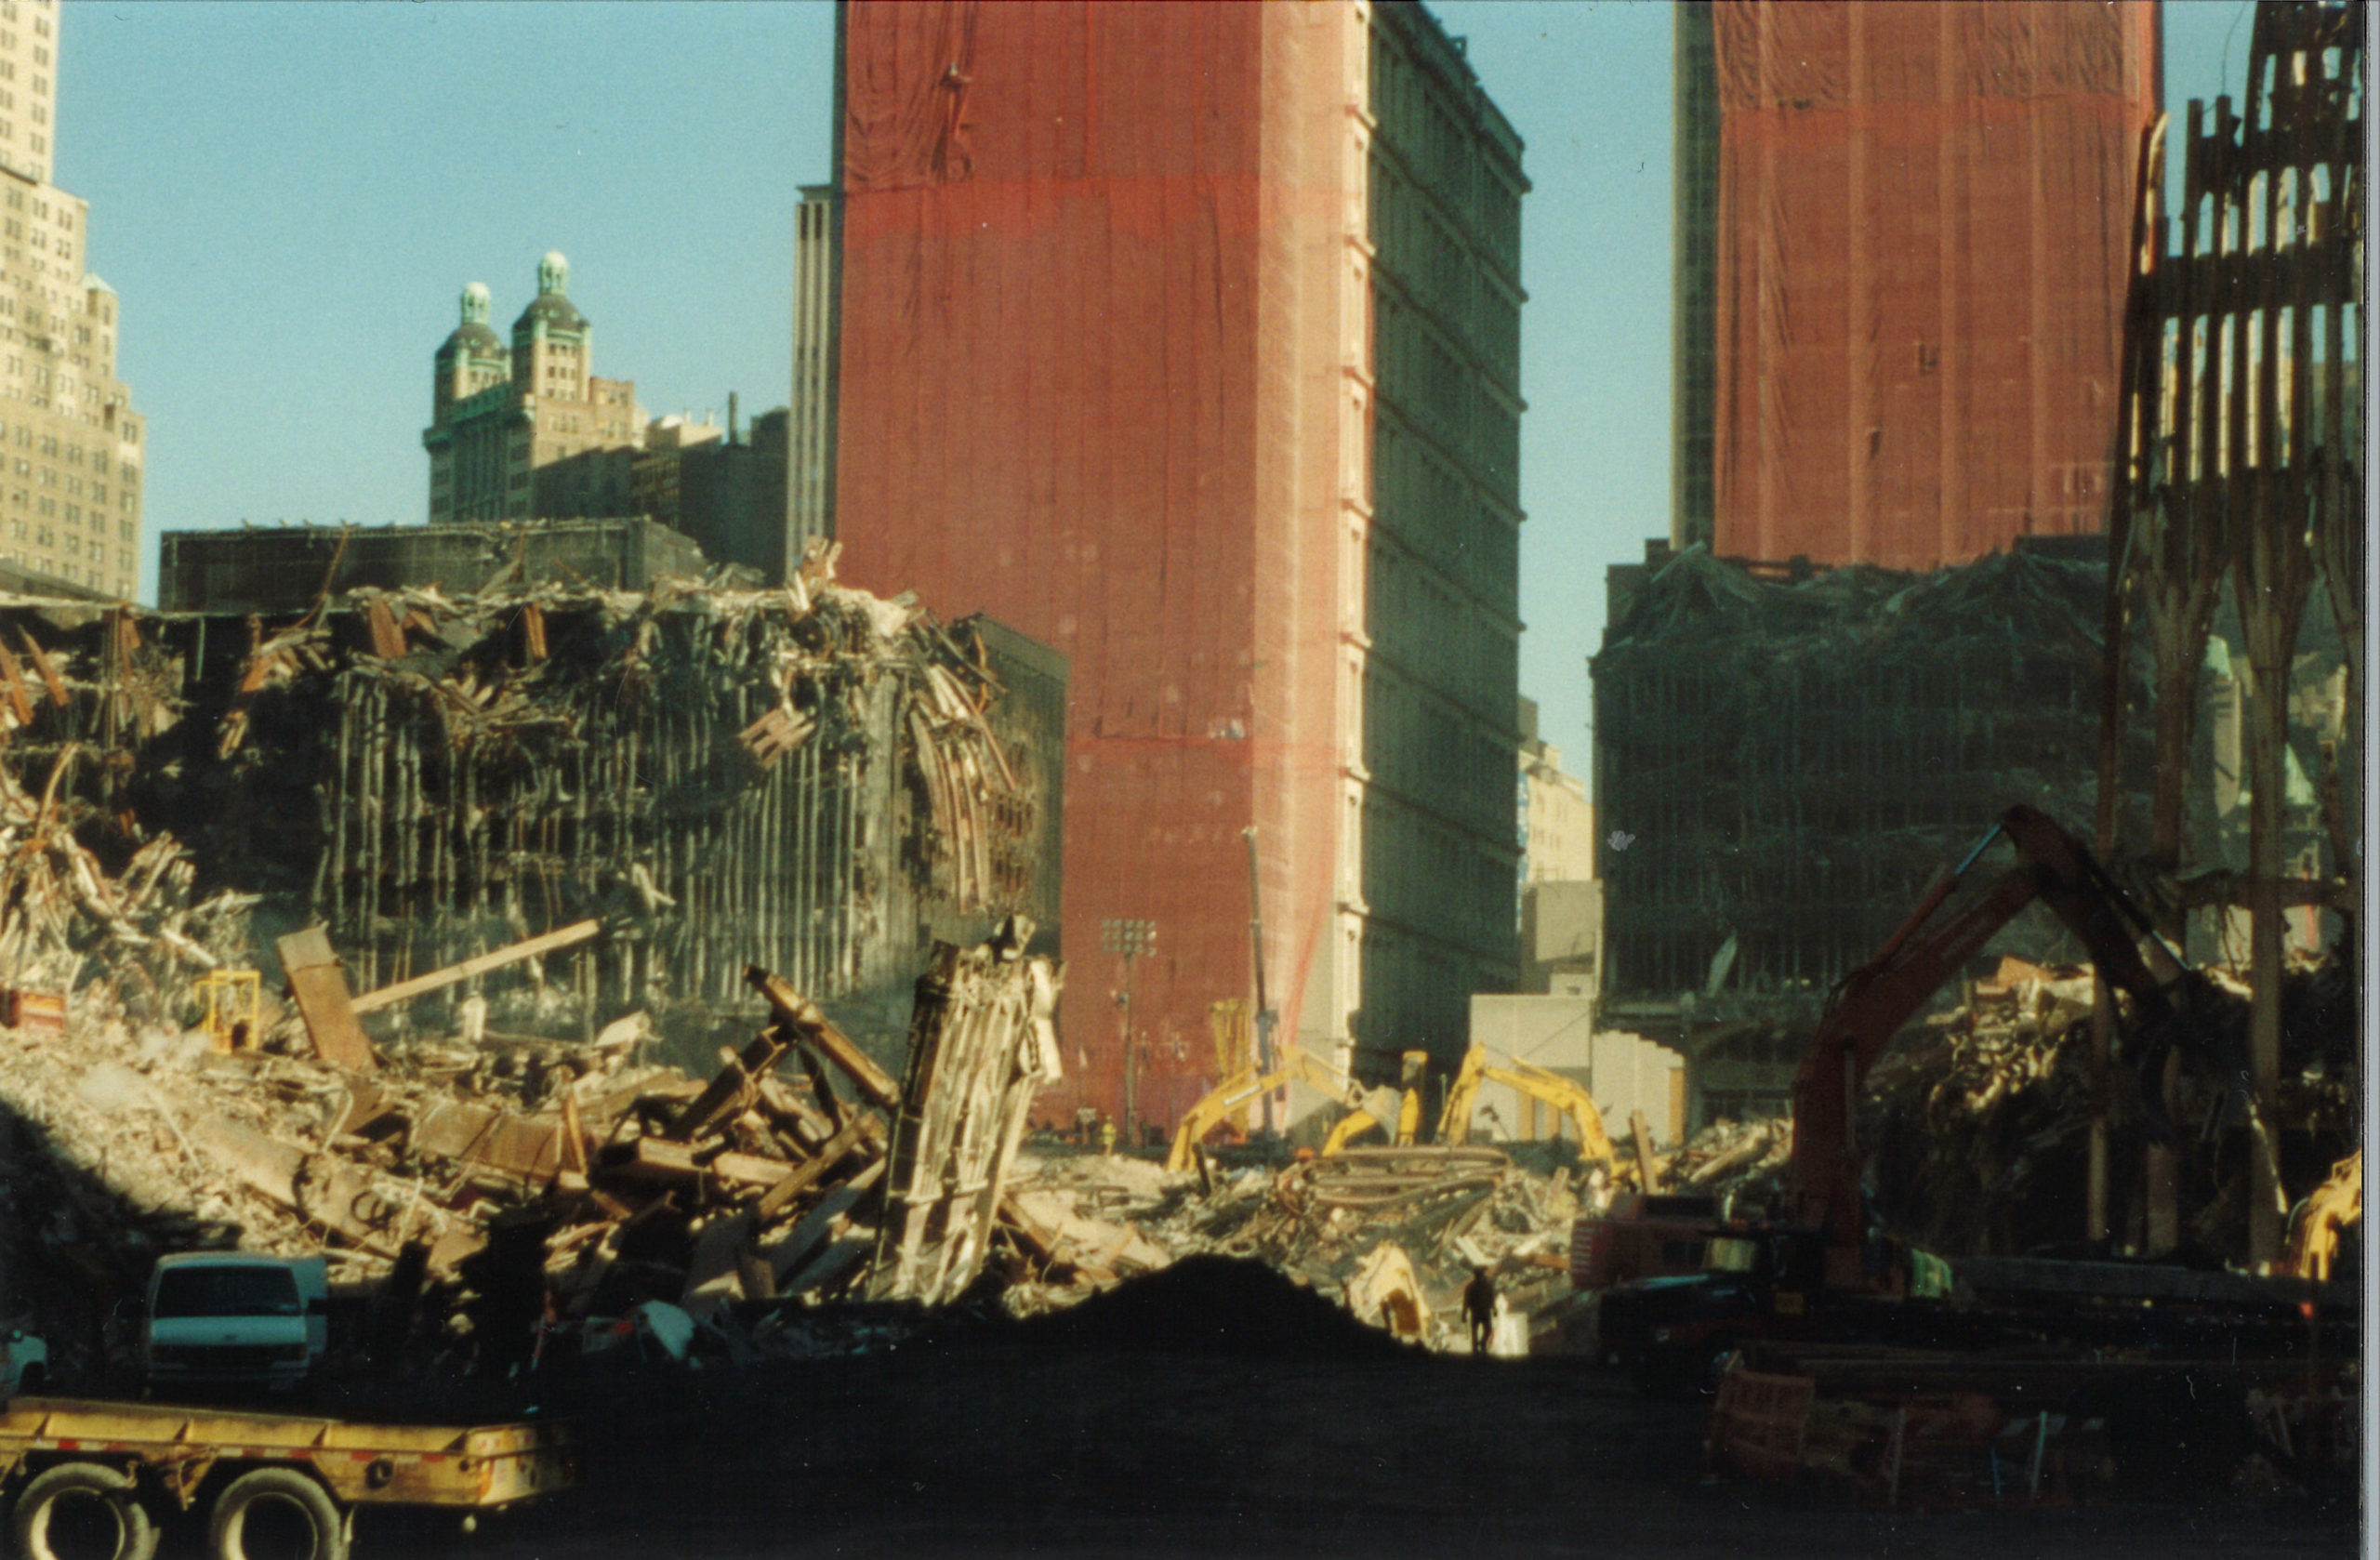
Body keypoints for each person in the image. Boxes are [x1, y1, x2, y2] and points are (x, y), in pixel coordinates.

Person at [1461, 1264, 1497, 1355]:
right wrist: (1464, 1314)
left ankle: (1482, 1343)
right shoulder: (1471, 1287)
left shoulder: (1486, 1285)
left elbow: (1492, 1298)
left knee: (1487, 1330)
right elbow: (1466, 1302)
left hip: (1484, 1312)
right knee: (1475, 1332)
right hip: (1477, 1312)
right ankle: (1476, 1349)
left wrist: (1494, 1309)